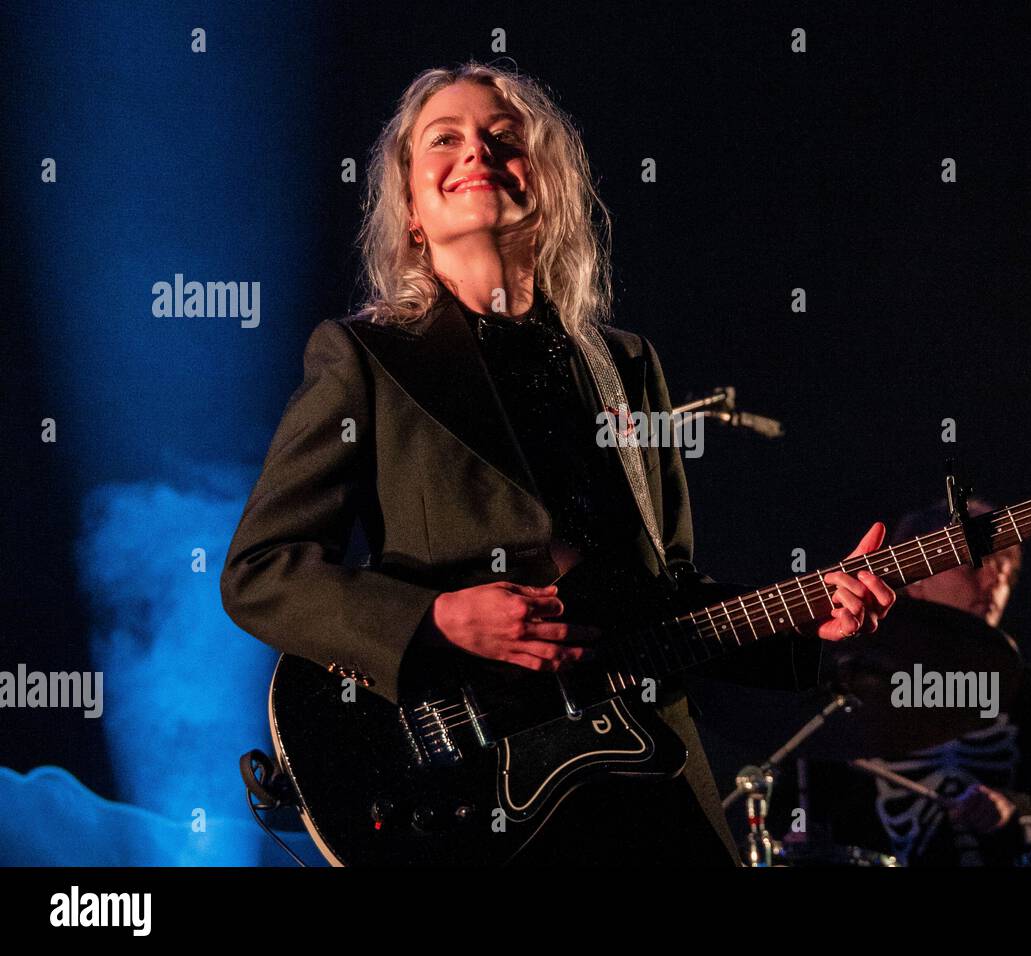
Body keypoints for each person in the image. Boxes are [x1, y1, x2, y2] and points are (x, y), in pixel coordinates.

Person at [219, 61, 896, 866]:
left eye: (506, 138)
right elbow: (262, 570)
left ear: (552, 188)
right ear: (409, 210)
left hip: (650, 781)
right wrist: (435, 620)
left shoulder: (624, 365)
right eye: (445, 139)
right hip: (474, 787)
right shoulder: (365, 359)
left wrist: (806, 620)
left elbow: (667, 600)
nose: (477, 150)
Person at [778, 500, 1031, 866]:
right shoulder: (850, 683)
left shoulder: (1029, 687)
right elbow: (795, 819)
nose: (994, 582)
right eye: (977, 565)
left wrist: (1010, 809)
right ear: (917, 578)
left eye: (1007, 571)